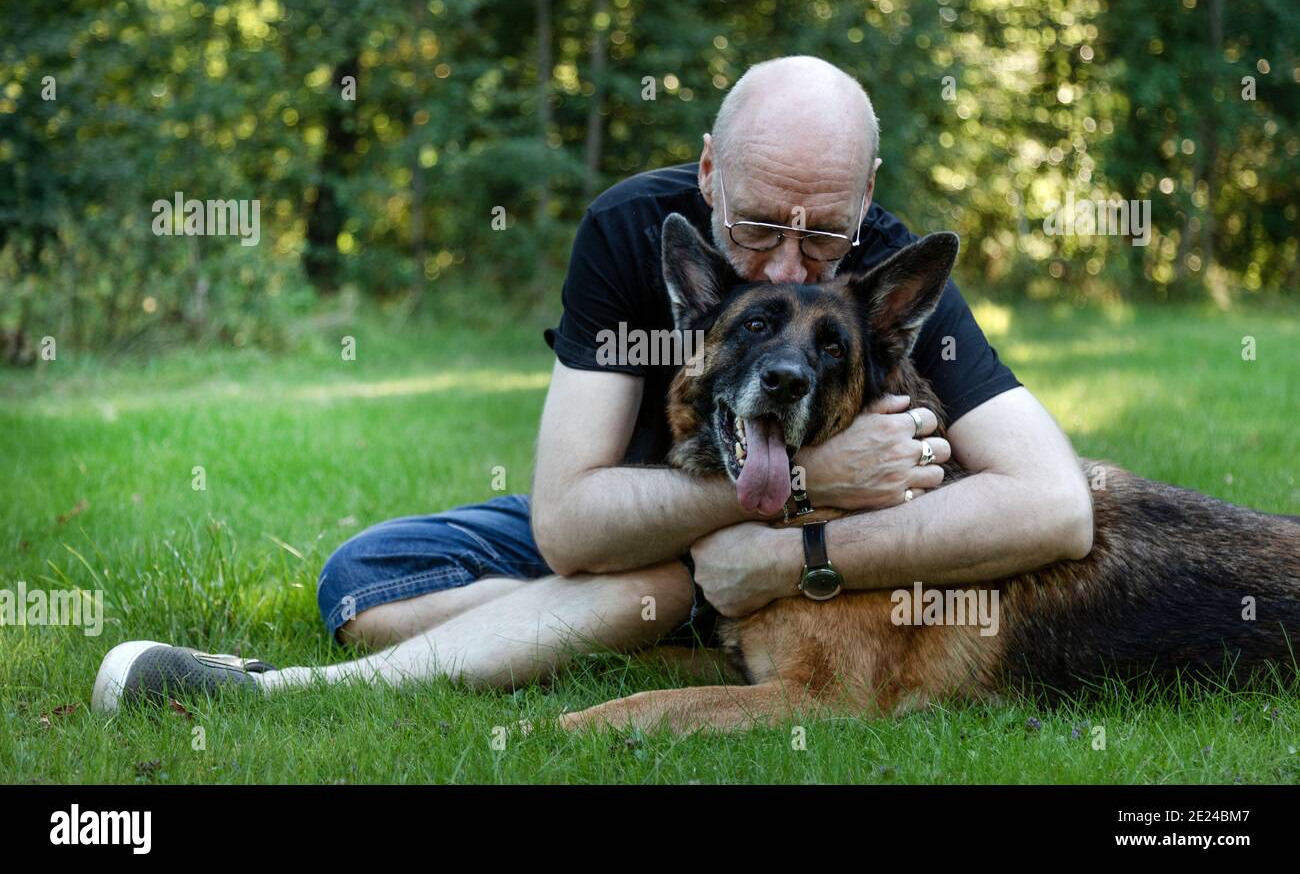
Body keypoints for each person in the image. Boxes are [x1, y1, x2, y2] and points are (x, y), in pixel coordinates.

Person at [91, 56, 1092, 712]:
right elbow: (570, 520)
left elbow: (1053, 503)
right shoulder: (628, 229)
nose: (790, 265)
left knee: (657, 583)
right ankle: (629, 616)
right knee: (365, 582)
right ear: (707, 175)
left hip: (793, 565)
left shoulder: (884, 276)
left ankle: (294, 692)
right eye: (756, 228)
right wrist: (810, 474)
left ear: (865, 200)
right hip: (640, 514)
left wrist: (800, 550)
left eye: (823, 231)